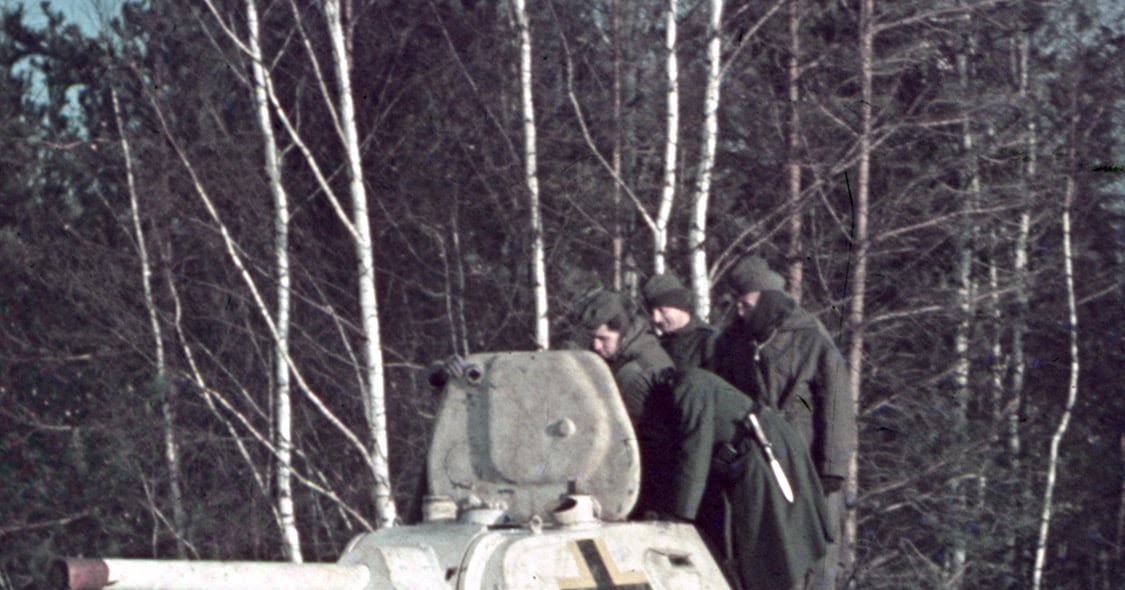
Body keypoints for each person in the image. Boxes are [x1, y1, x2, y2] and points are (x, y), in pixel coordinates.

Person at [711, 255, 856, 590]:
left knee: (819, 548)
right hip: (761, 464)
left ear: (768, 299)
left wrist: (833, 466)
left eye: (746, 303)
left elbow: (836, 404)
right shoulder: (734, 344)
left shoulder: (810, 338)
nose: (740, 311)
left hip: (809, 465)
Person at [660, 368, 833, 590]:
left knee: (781, 548)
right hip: (756, 452)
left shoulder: (691, 387)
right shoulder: (691, 384)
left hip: (763, 452)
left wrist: (680, 517)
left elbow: (695, 453)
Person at [641, 272, 716, 370]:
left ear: (680, 306)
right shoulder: (660, 345)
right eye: (652, 312)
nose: (656, 318)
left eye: (663, 311)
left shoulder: (709, 341)